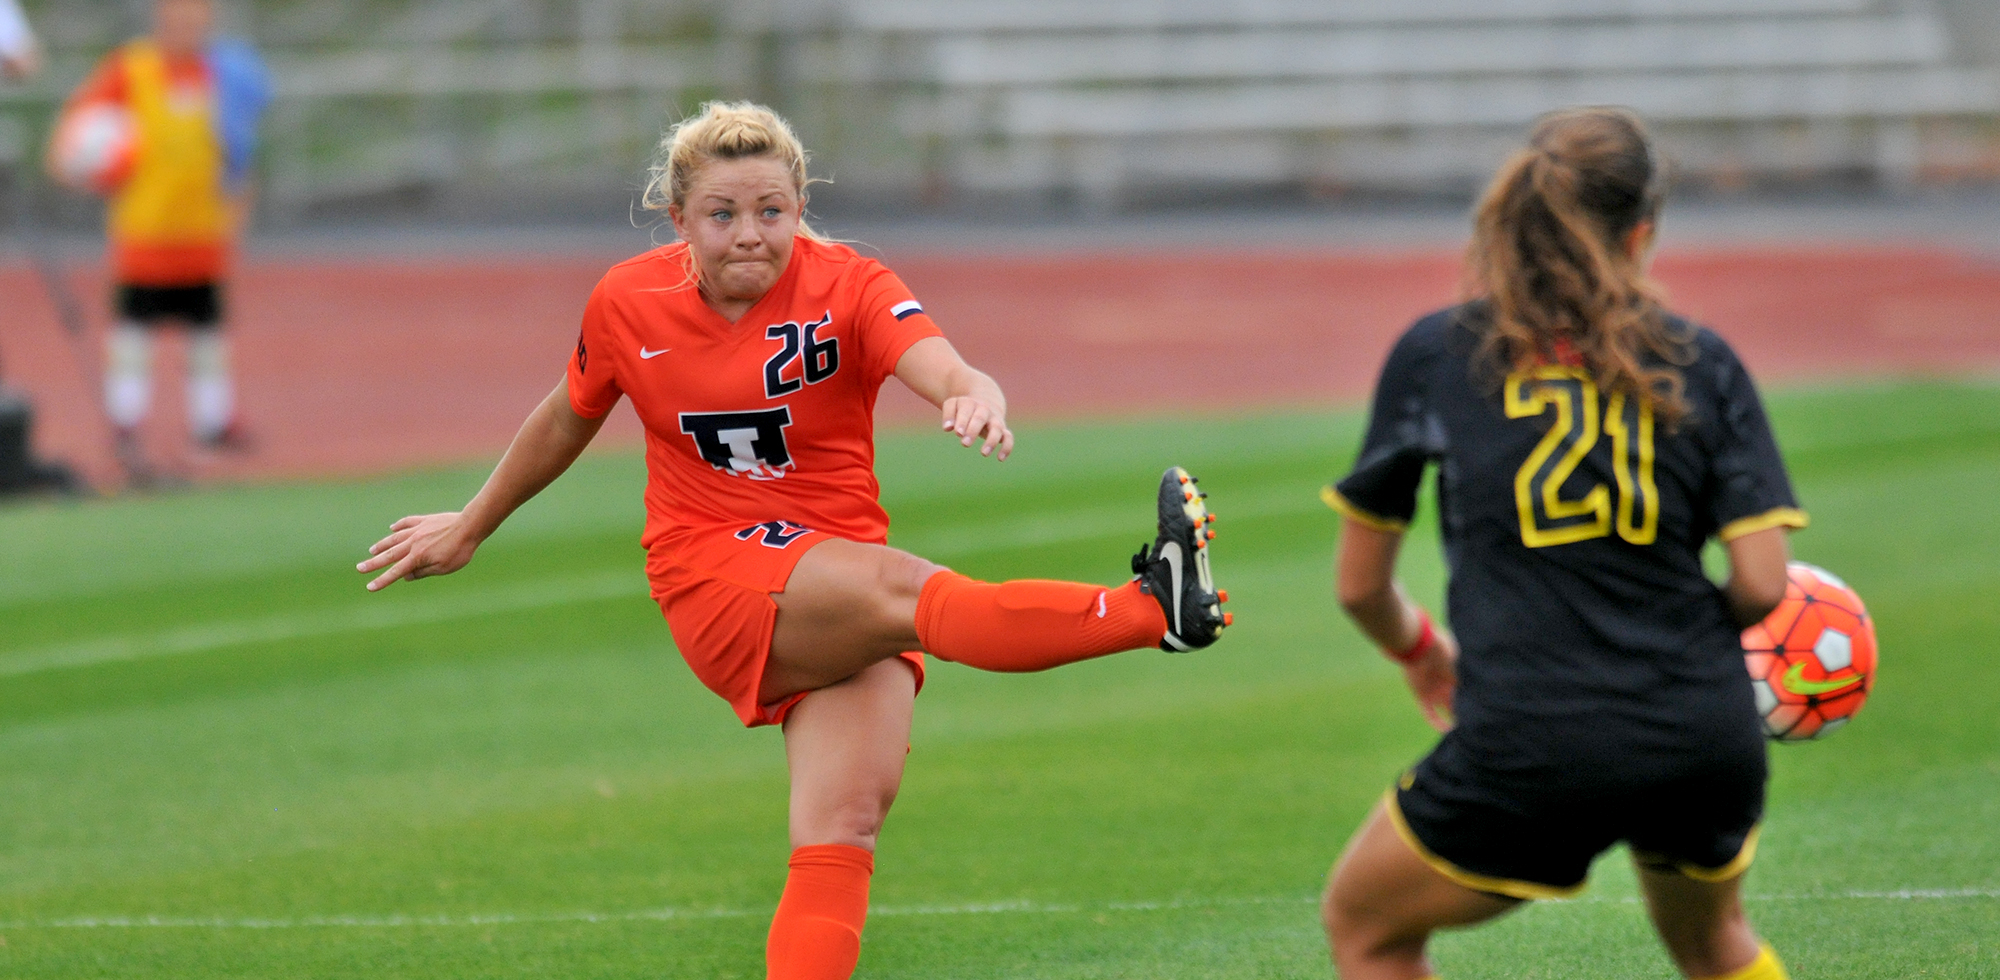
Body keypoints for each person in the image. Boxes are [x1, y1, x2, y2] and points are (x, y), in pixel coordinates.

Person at [355, 101, 1230, 980]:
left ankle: (1158, 605)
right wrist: (471, 524)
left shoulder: (848, 283)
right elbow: (565, 416)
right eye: (722, 214)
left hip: (826, 568)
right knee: (907, 592)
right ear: (680, 220)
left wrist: (971, 393)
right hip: (714, 572)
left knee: (840, 832)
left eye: (772, 211)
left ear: (800, 207)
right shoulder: (628, 301)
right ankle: (1152, 607)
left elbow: (938, 358)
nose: (749, 234)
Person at [1318, 106, 1805, 980]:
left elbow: (1359, 587)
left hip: (1536, 739)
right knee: (1711, 941)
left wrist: (1426, 653)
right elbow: (1766, 585)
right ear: (1640, 235)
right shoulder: (1703, 360)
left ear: (1512, 223)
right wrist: (1686, 640)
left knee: (1365, 925)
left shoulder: (1438, 355)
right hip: (1699, 730)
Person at [51, 0, 270, 483]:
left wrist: (240, 205)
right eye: (179, 15)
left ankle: (214, 423)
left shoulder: (225, 74)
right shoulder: (131, 69)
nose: (189, 25)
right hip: (144, 232)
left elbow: (241, 146)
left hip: (202, 229)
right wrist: (75, 162)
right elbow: (79, 128)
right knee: (133, 332)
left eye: (198, 16)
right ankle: (126, 423)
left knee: (208, 332)